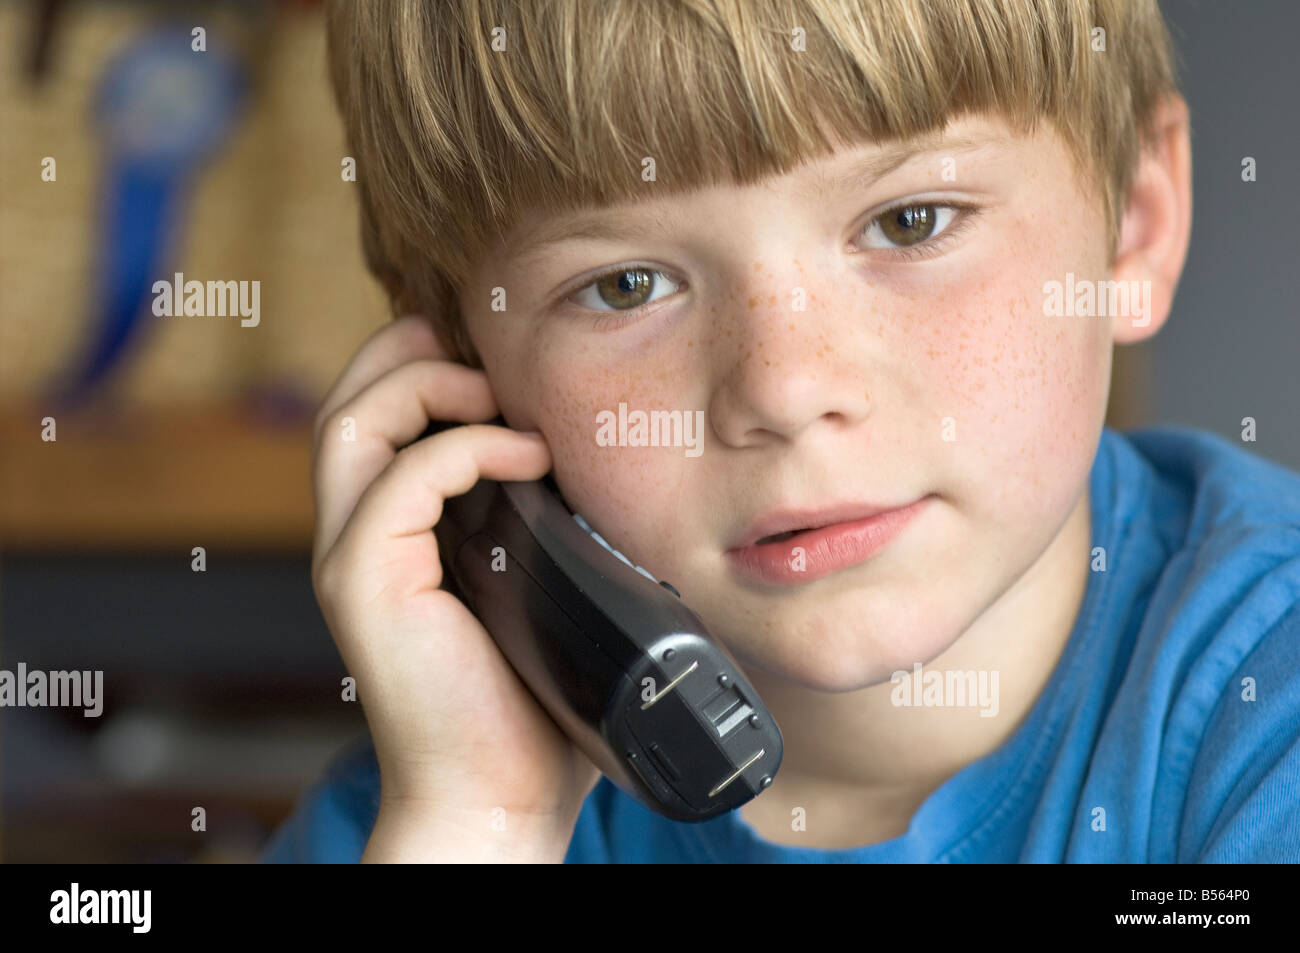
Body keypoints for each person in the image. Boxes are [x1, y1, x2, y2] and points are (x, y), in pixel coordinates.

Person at [262, 0, 1300, 862]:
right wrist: (479, 825)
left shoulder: (1267, 707)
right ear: (463, 374)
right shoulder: (436, 802)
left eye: (911, 221)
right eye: (625, 285)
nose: (788, 388)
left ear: (1134, 224)